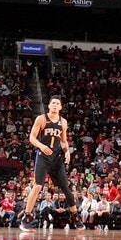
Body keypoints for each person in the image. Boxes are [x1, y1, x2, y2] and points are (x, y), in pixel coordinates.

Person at [18, 97, 82, 232]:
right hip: (43, 156)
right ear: (49, 106)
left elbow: (63, 140)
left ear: (60, 107)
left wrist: (67, 152)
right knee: (37, 187)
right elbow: (32, 138)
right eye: (53, 103)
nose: (55, 105)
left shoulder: (63, 122)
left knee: (66, 188)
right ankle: (27, 217)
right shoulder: (41, 119)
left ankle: (75, 216)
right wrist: (41, 146)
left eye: (57, 103)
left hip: (57, 158)